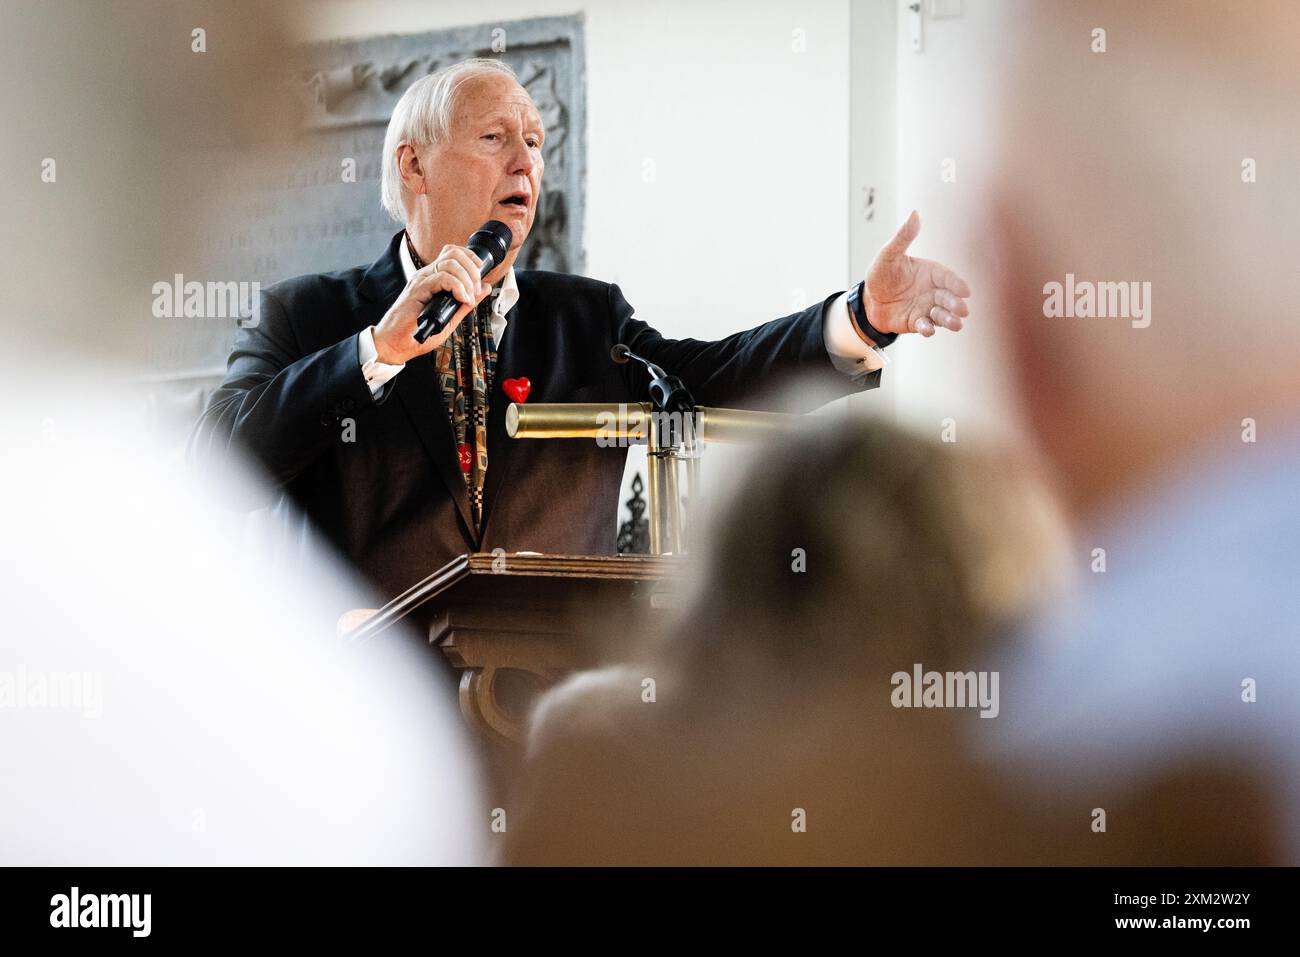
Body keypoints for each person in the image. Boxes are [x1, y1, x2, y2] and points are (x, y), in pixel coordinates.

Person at [189, 57, 973, 602]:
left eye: (535, 141)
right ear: (413, 166)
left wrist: (860, 317)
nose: (526, 164)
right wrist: (377, 351)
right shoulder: (308, 315)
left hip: (543, 699)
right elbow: (217, 462)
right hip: (368, 717)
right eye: (494, 139)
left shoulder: (585, 318)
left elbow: (710, 379)